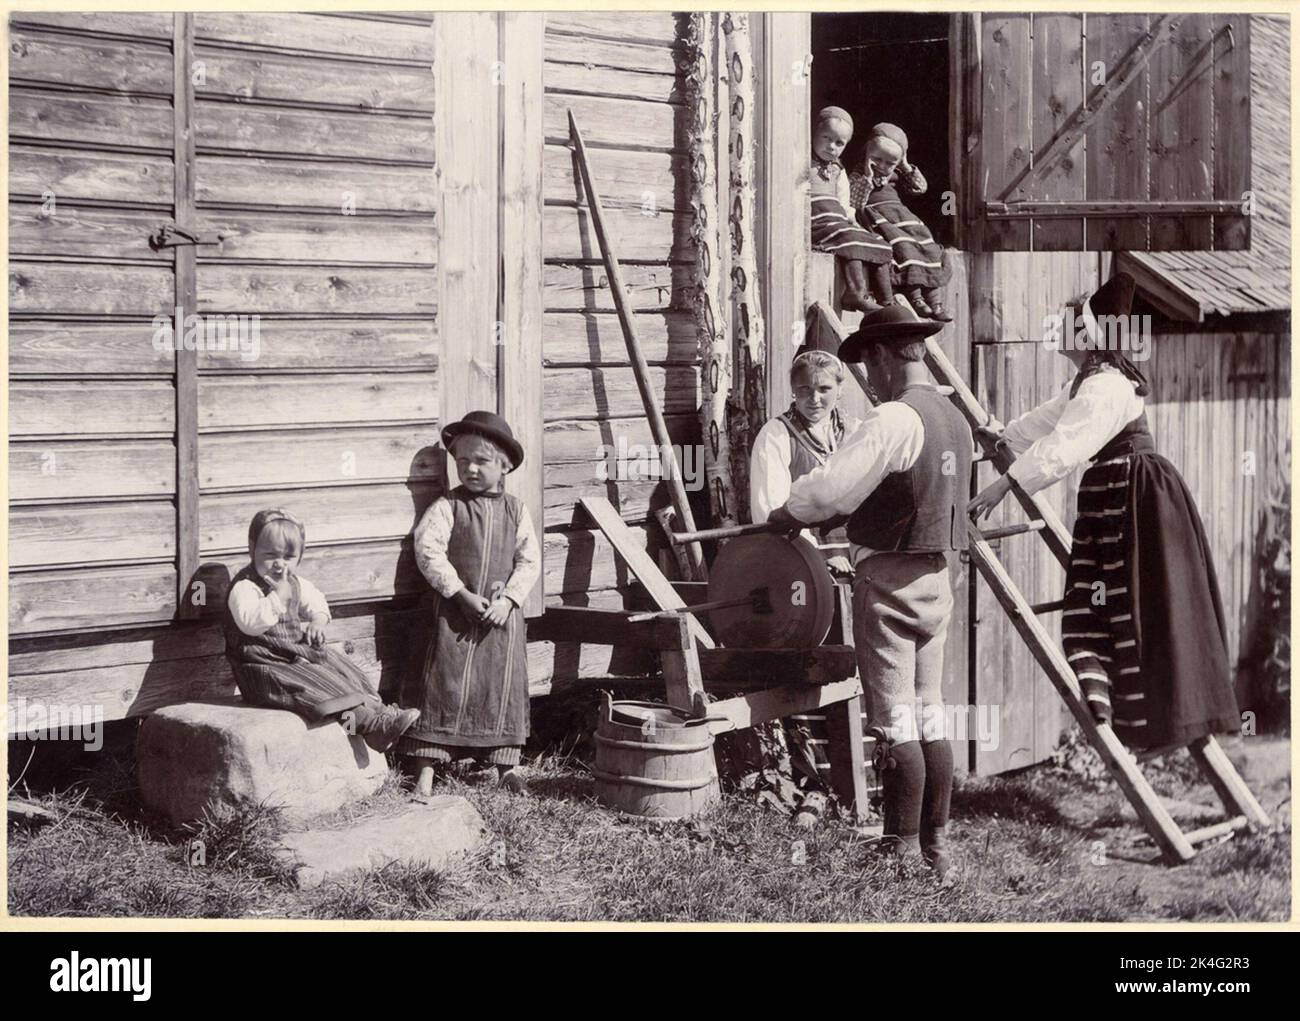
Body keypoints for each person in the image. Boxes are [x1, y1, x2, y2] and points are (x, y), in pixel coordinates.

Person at [969, 273, 1240, 749]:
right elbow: (1048, 420)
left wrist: (1002, 485)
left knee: (1139, 597)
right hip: (1114, 493)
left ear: (1089, 337)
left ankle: (1159, 712)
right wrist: (1003, 434)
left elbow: (1065, 447)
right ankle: (1112, 691)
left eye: (1068, 324)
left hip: (1135, 494)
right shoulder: (1088, 382)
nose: (1059, 330)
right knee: (1104, 594)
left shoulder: (1108, 387)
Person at [768, 303, 972, 878]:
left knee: (894, 717)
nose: (870, 380)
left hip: (890, 579)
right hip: (940, 579)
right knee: (931, 711)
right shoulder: (954, 418)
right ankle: (939, 846)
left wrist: (790, 512)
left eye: (868, 367)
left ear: (885, 356)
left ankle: (902, 850)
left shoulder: (895, 419)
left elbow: (832, 490)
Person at [400, 411, 541, 796]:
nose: (471, 469)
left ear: (505, 465)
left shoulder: (516, 510)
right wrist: (458, 593)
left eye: (482, 461)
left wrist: (509, 600)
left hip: (500, 620)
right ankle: (426, 768)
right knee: (441, 684)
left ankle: (506, 767)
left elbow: (530, 560)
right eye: (463, 461)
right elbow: (427, 550)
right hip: (452, 616)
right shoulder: (448, 506)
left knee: (500, 687)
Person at [224, 508, 419, 752]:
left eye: (288, 557)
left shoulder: (294, 582)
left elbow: (316, 600)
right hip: (260, 667)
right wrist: (276, 598)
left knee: (333, 664)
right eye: (270, 555)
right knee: (313, 685)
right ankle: (370, 726)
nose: (279, 564)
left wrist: (317, 621)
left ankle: (379, 712)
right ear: (252, 549)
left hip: (289, 654)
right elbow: (249, 624)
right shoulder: (245, 587)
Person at [749, 342, 861, 577]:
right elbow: (769, 508)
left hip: (859, 551)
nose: (814, 398)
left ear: (840, 389)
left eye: (824, 388)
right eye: (804, 389)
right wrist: (817, 556)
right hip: (801, 552)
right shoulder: (777, 434)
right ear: (793, 389)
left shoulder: (856, 431)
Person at [850, 123, 952, 321]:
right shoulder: (859, 174)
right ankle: (916, 299)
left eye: (890, 163)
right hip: (877, 216)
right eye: (877, 159)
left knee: (927, 245)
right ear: (866, 154)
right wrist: (868, 178)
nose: (882, 166)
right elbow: (856, 203)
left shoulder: (895, 173)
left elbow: (920, 188)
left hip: (900, 216)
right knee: (903, 246)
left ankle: (935, 301)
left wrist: (904, 166)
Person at [809, 106, 894, 312]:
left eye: (839, 143)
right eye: (826, 138)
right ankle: (855, 293)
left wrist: (852, 221)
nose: (831, 147)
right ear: (813, 133)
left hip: (837, 219)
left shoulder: (838, 170)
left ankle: (887, 303)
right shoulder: (803, 162)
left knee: (877, 241)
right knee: (849, 238)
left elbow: (844, 203)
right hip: (817, 220)